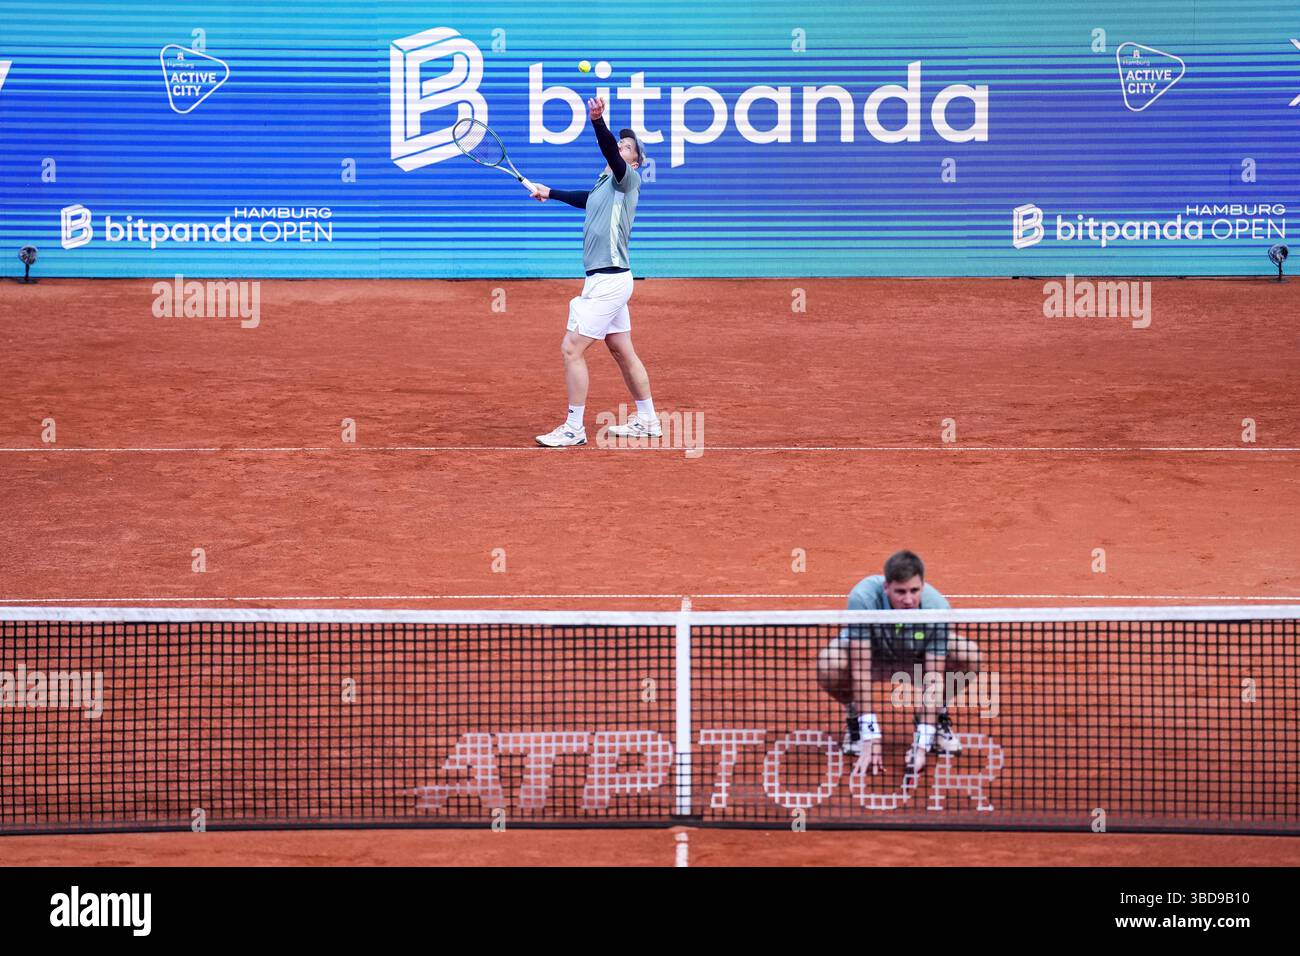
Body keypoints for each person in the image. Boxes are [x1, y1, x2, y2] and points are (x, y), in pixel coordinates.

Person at [527, 96, 661, 447]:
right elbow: (584, 198)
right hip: (608, 279)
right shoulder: (604, 188)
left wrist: (598, 122)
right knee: (621, 349)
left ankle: (574, 428)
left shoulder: (627, 179)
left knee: (571, 348)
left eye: (627, 146)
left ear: (634, 160)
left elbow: (610, 154)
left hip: (610, 280)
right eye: (621, 141)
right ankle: (648, 419)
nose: (621, 145)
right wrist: (549, 192)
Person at [816, 550, 981, 774]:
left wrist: (922, 745)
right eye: (900, 592)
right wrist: (869, 736)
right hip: (874, 659)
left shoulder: (937, 609)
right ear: (886, 587)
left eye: (914, 591)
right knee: (829, 663)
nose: (908, 600)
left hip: (915, 660)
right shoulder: (863, 599)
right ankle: (855, 717)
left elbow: (934, 678)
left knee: (968, 654)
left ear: (923, 586)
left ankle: (935, 719)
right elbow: (861, 669)